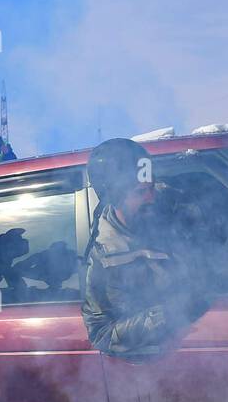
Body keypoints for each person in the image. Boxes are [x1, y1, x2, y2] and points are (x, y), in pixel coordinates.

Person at [81, 138, 209, 359]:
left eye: (152, 187)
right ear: (115, 197)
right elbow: (101, 335)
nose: (152, 197)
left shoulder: (174, 205)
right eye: (140, 192)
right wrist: (167, 314)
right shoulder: (102, 255)